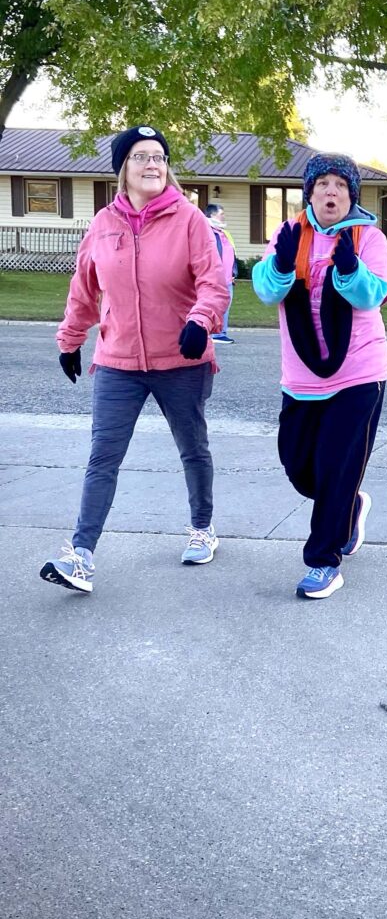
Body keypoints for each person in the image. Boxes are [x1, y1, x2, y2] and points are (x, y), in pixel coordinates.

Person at [40, 125, 231, 594]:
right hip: (118, 361)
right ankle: (81, 554)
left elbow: (214, 282)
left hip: (181, 358)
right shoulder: (104, 223)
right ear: (123, 168)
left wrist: (200, 321)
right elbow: (85, 288)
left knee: (192, 447)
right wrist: (70, 340)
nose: (152, 164)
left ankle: (202, 528)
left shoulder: (190, 220)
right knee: (102, 456)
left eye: (159, 157)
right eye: (142, 156)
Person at [252, 153, 387, 600]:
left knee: (335, 465)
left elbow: (374, 296)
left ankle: (323, 561)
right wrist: (280, 263)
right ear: (309, 192)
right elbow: (265, 290)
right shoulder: (289, 232)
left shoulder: (369, 238)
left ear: (352, 195)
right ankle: (349, 504)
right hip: (301, 375)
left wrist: (350, 268)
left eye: (340, 185)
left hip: (359, 373)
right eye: (323, 184)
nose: (331, 192)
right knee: (298, 467)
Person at [206, 203, 238, 343]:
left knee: (226, 306)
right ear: (212, 215)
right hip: (214, 277)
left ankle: (220, 332)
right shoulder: (206, 231)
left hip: (227, 278)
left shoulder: (225, 233)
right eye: (221, 214)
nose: (224, 216)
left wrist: (233, 273)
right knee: (215, 305)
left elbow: (232, 254)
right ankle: (215, 334)